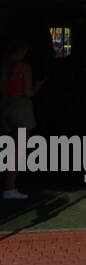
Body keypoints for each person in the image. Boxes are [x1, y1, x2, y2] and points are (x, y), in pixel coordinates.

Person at [0, 40, 44, 199]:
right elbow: (28, 93)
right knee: (17, 150)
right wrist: (37, 86)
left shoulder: (4, 65)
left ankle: (8, 185)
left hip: (5, 106)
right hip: (20, 107)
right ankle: (9, 188)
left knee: (8, 148)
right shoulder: (24, 67)